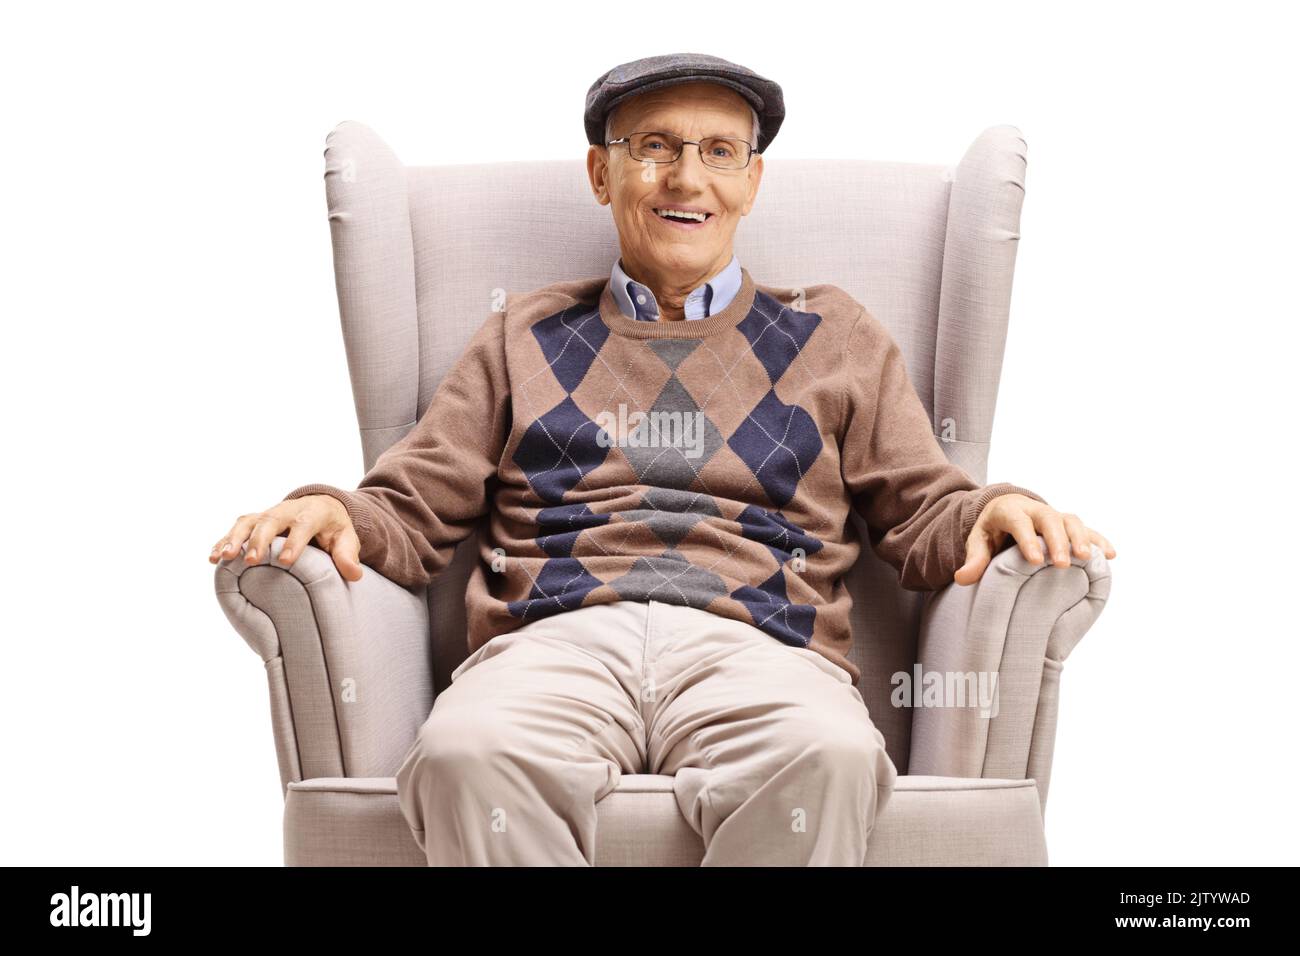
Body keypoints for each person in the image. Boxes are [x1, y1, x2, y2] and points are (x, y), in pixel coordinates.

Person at [209, 53, 1115, 866]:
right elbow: (409, 506)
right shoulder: (521, 334)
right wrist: (334, 507)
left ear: (752, 181)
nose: (688, 178)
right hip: (553, 641)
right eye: (655, 146)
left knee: (834, 758)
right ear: (603, 173)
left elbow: (925, 512)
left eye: (720, 152)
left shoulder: (831, 334)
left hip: (765, 645)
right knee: (461, 757)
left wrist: (992, 507)